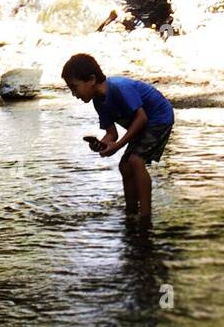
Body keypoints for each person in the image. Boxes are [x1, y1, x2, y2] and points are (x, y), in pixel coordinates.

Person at [62, 53, 174, 224]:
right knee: (124, 165)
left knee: (136, 161)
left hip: (159, 117)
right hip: (142, 124)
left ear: (91, 79)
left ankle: (145, 217)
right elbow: (111, 134)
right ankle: (130, 212)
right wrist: (103, 144)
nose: (74, 94)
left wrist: (118, 146)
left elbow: (141, 118)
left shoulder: (119, 87)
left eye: (74, 87)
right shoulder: (98, 102)